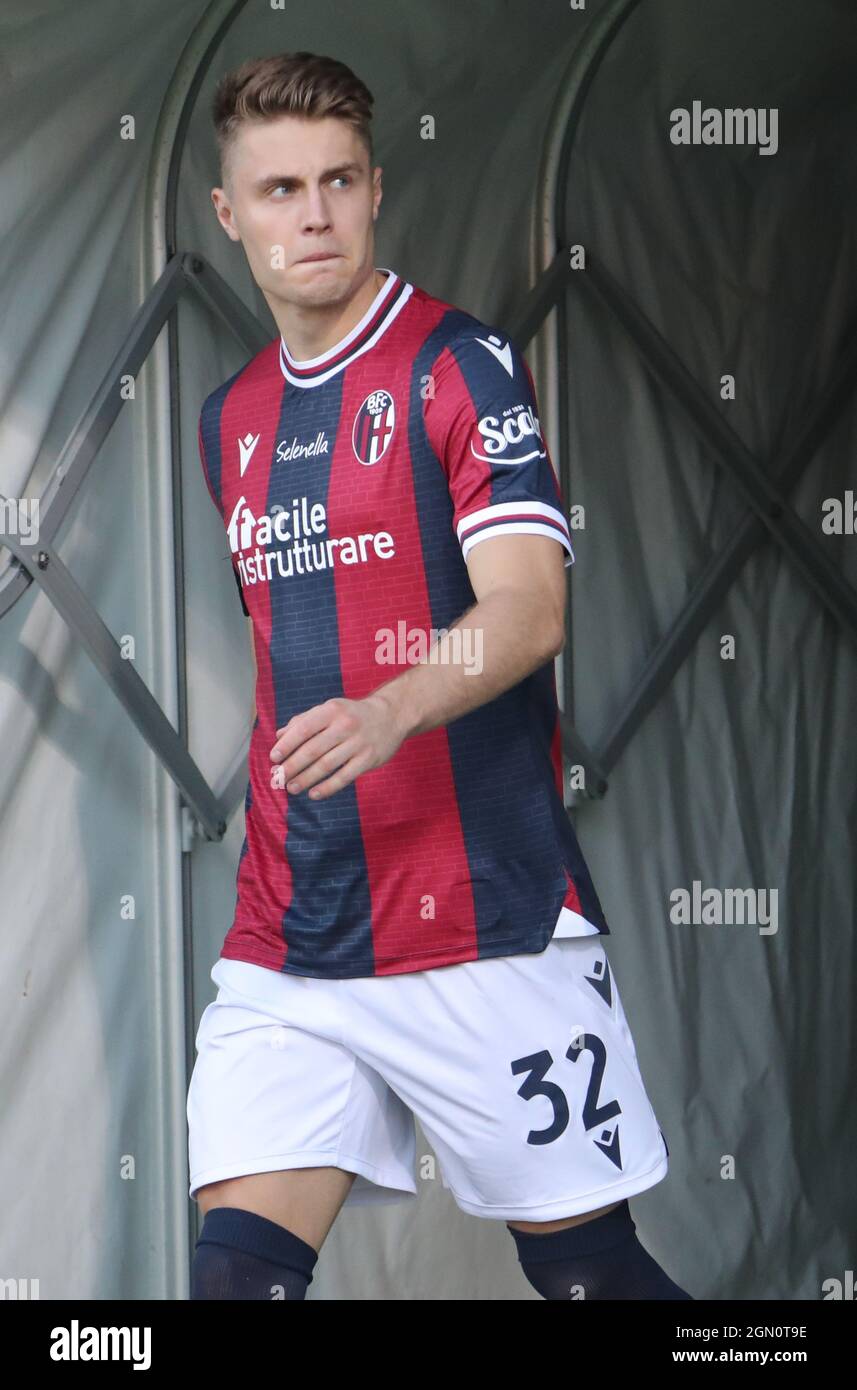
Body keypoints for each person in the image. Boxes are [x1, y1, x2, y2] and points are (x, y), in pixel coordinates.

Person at [187, 49, 691, 1302]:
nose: (313, 216)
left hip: (480, 919)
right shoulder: (230, 418)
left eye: (338, 182)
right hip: (290, 936)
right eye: (281, 188)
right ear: (228, 214)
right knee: (229, 1288)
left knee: (592, 1280)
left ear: (372, 189)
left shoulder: (456, 366)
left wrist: (391, 706)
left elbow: (529, 606)